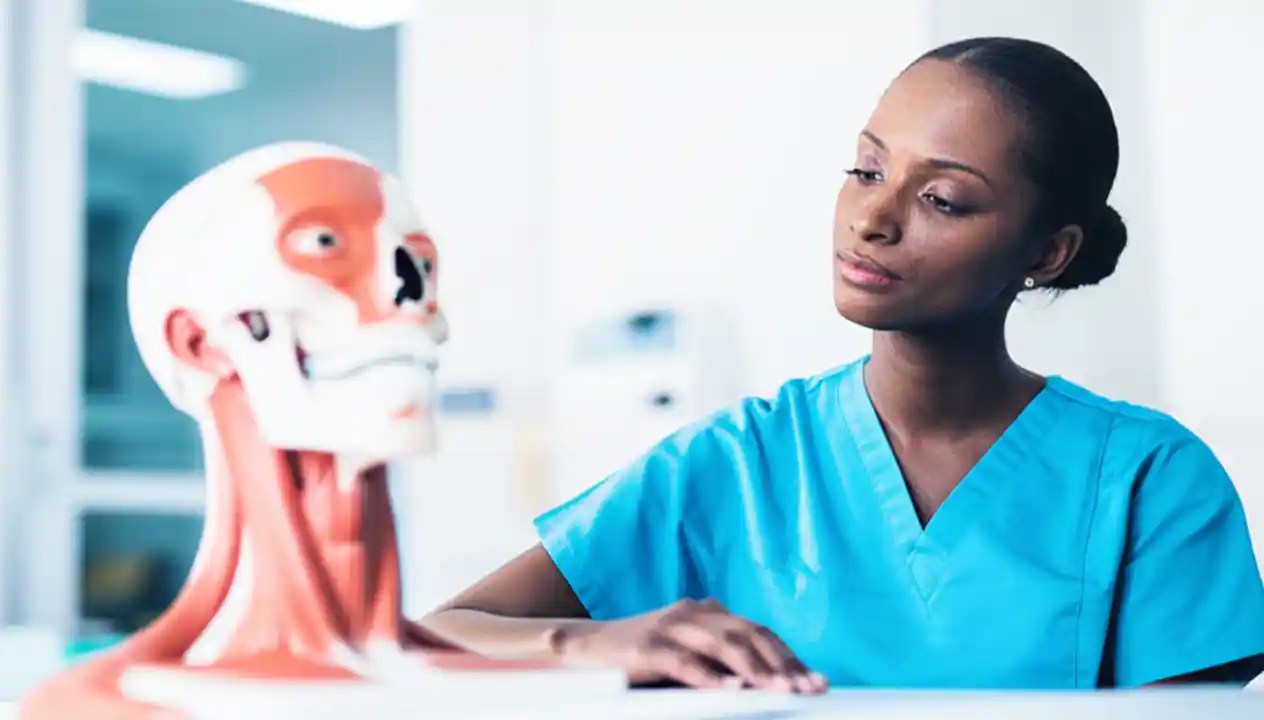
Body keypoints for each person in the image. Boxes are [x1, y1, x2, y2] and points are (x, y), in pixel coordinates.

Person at [420, 36, 1264, 692]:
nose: (872, 218)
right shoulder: (735, 466)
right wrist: (593, 641)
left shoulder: (1151, 483)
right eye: (866, 169)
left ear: (1046, 252)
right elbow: (431, 636)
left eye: (941, 199)